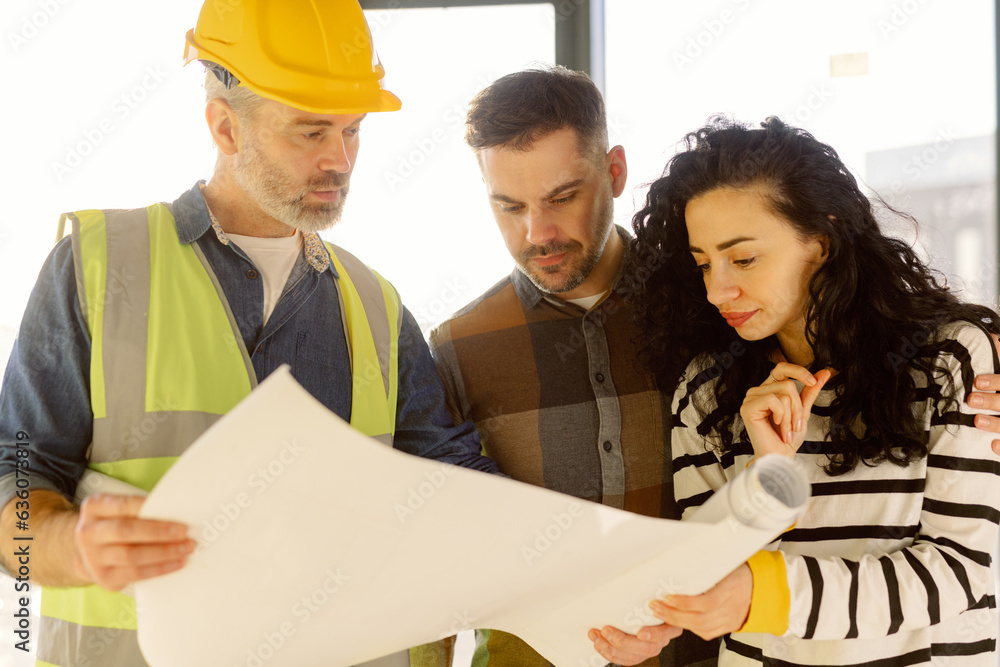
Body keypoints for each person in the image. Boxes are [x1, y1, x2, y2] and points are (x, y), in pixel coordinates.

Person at [0, 2, 497, 666]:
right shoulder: (97, 268)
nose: (340, 160)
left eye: (353, 131)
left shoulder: (377, 307)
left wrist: (596, 593)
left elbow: (460, 496)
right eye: (310, 132)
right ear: (225, 127)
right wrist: (70, 546)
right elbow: (15, 475)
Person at [624, 116, 1000, 664]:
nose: (716, 290)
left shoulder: (948, 360)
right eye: (703, 263)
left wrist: (765, 594)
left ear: (820, 243)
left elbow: (961, 570)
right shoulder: (706, 390)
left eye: (744, 258)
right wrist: (762, 482)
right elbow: (704, 574)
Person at [429, 66, 717, 667]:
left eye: (562, 198)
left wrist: (965, 387)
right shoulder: (457, 346)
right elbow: (441, 545)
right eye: (509, 207)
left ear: (614, 171)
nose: (538, 233)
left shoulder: (710, 305)